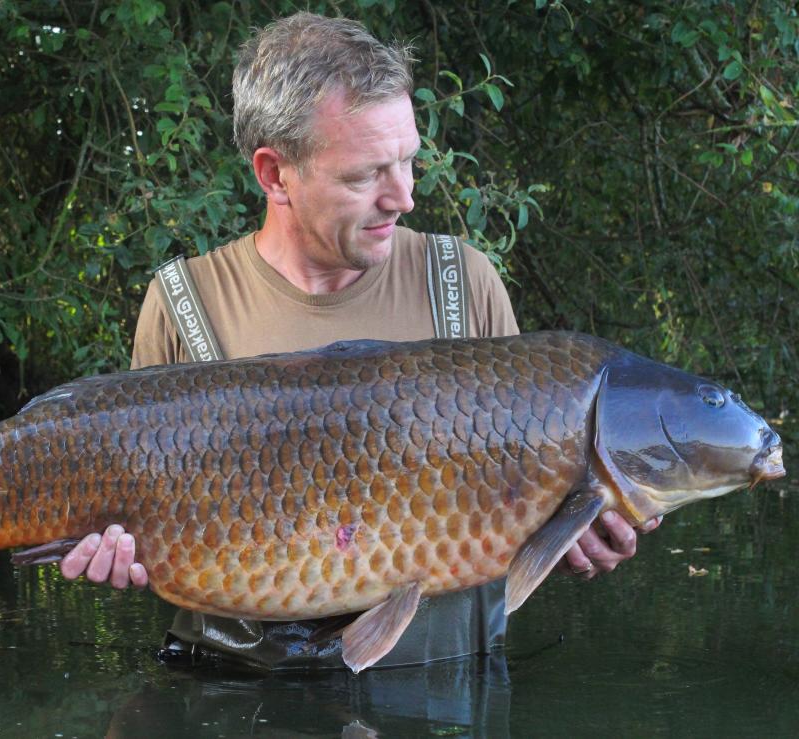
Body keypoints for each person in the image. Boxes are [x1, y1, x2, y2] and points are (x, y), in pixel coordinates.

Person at [60, 12, 659, 669]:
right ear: (274, 174)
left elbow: (526, 513)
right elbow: (131, 525)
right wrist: (109, 548)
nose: (403, 196)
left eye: (408, 160)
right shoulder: (184, 306)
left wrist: (578, 533)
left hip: (441, 687)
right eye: (364, 175)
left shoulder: (466, 286)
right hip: (235, 694)